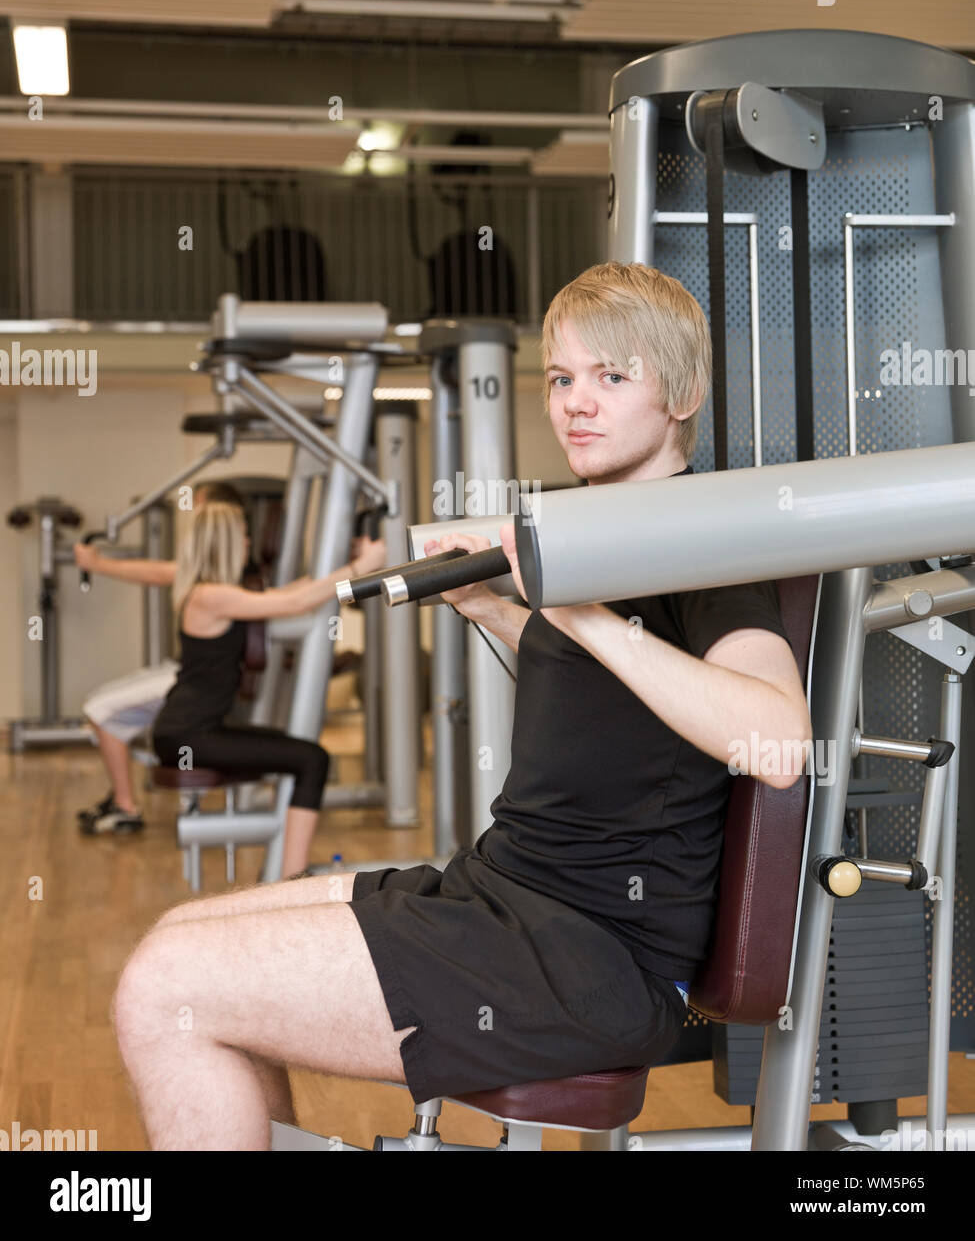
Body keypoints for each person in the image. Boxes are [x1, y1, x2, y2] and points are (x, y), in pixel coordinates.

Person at [112, 262, 812, 1151]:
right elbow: (612, 696)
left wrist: (576, 609)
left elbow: (779, 743)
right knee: (179, 936)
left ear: (681, 394)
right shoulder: (597, 533)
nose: (575, 404)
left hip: (586, 955)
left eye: (611, 377)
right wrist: (501, 613)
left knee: (165, 987)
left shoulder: (702, 547)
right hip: (500, 891)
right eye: (561, 378)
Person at [149, 498, 385, 879]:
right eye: (242, 534)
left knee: (293, 749)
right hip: (187, 735)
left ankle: (287, 868)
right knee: (312, 759)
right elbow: (294, 603)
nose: (247, 542)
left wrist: (345, 559)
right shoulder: (209, 596)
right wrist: (361, 568)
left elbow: (286, 593)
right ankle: (293, 878)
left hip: (189, 730)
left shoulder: (214, 592)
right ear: (224, 541)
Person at [74, 480, 246, 835]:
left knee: (99, 711)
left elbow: (161, 573)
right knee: (98, 707)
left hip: (195, 680)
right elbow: (165, 572)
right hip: (187, 671)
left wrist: (99, 563)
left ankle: (126, 807)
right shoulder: (216, 567)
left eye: (199, 510)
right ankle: (121, 795)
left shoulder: (222, 570)